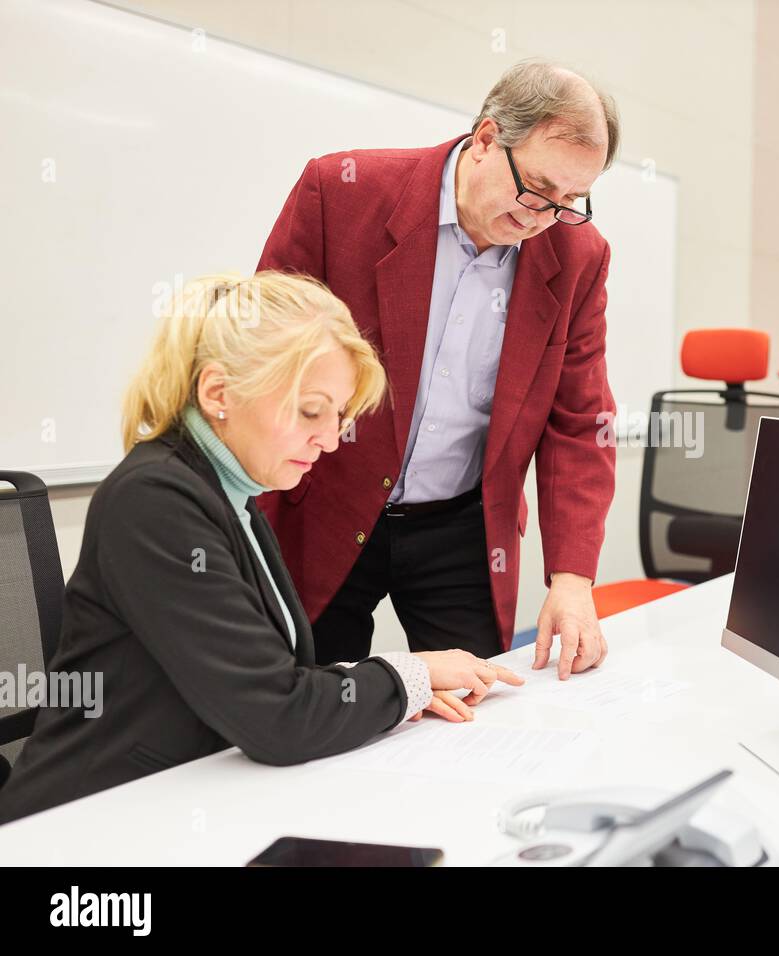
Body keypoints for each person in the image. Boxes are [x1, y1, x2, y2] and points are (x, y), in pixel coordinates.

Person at [0, 273, 522, 825]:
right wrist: (406, 676)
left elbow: (269, 678)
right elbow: (279, 718)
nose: (328, 439)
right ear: (218, 394)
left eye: (338, 415)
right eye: (310, 410)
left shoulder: (232, 492)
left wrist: (396, 692)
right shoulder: (155, 501)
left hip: (187, 799)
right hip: (82, 828)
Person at [257, 59, 619, 680]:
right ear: (485, 140)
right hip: (323, 504)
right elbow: (260, 350)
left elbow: (579, 421)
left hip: (462, 525)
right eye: (536, 188)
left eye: (569, 201)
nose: (542, 216)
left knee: (478, 709)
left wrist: (573, 578)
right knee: (309, 701)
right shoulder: (341, 192)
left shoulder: (577, 254)